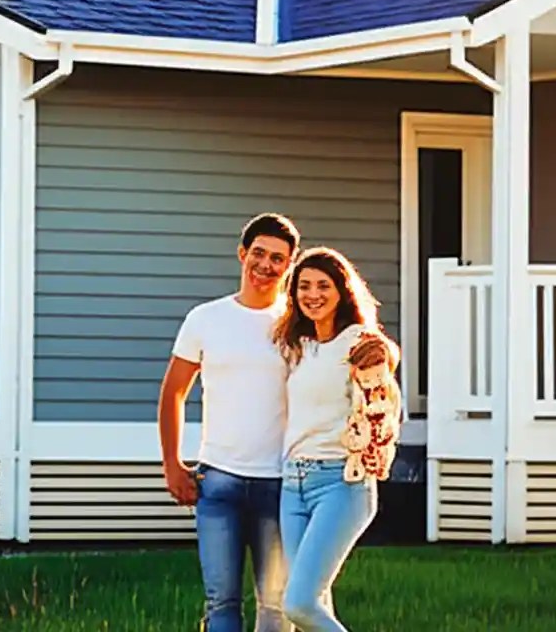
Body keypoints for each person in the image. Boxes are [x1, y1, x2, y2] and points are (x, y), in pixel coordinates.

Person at [159, 212, 302, 632]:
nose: (266, 265)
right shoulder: (205, 319)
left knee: (276, 607)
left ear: (289, 265)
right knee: (221, 602)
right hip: (217, 482)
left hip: (279, 484)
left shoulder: (297, 326)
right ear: (242, 254)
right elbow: (174, 392)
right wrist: (173, 464)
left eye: (278, 258)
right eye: (258, 253)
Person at [271, 247, 401, 632]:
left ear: (342, 291)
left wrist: (389, 354)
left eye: (323, 286)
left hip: (340, 484)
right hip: (292, 484)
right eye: (304, 286)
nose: (313, 294)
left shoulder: (358, 340)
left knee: (299, 604)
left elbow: (383, 376)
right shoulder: (297, 345)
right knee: (313, 601)